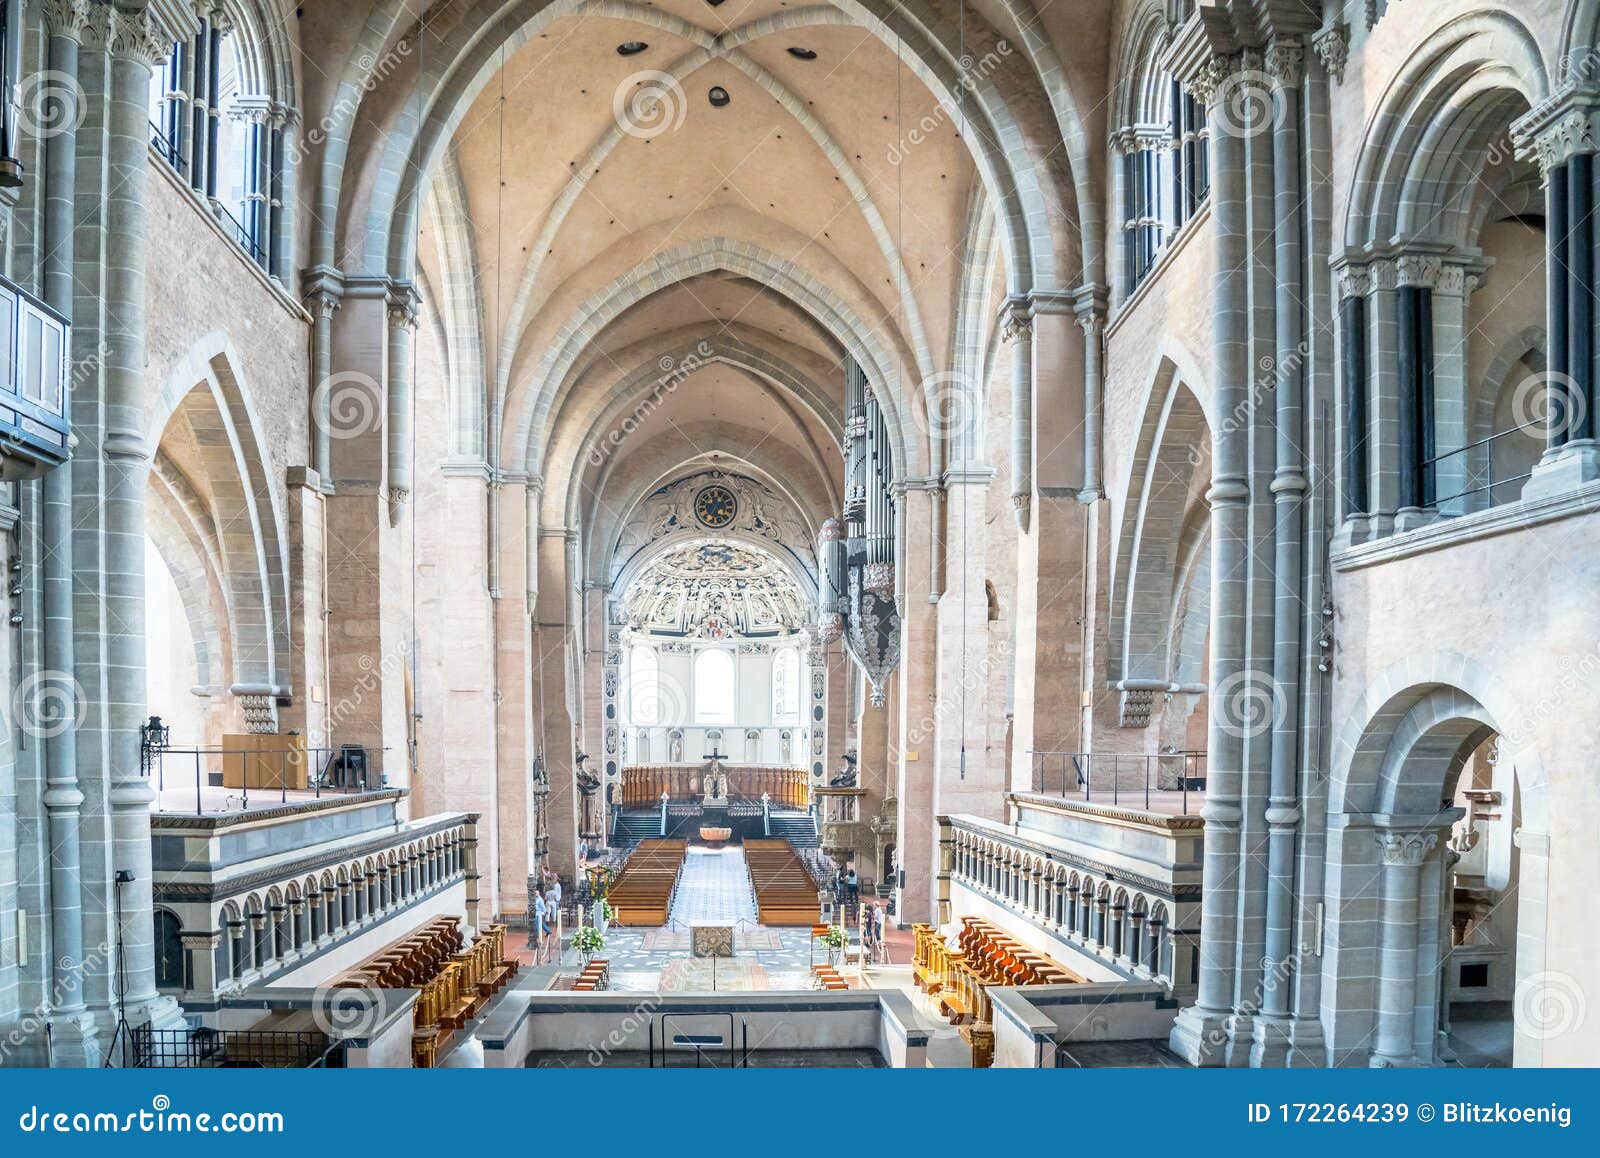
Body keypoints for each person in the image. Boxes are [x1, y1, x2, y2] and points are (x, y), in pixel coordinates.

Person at [532, 890, 549, 963]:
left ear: (538, 893)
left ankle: (538, 936)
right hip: (536, 913)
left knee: (537, 925)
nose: (535, 894)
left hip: (538, 914)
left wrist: (545, 911)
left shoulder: (539, 899)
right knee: (541, 924)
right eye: (535, 893)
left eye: (536, 893)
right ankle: (548, 930)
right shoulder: (535, 898)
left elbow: (542, 906)